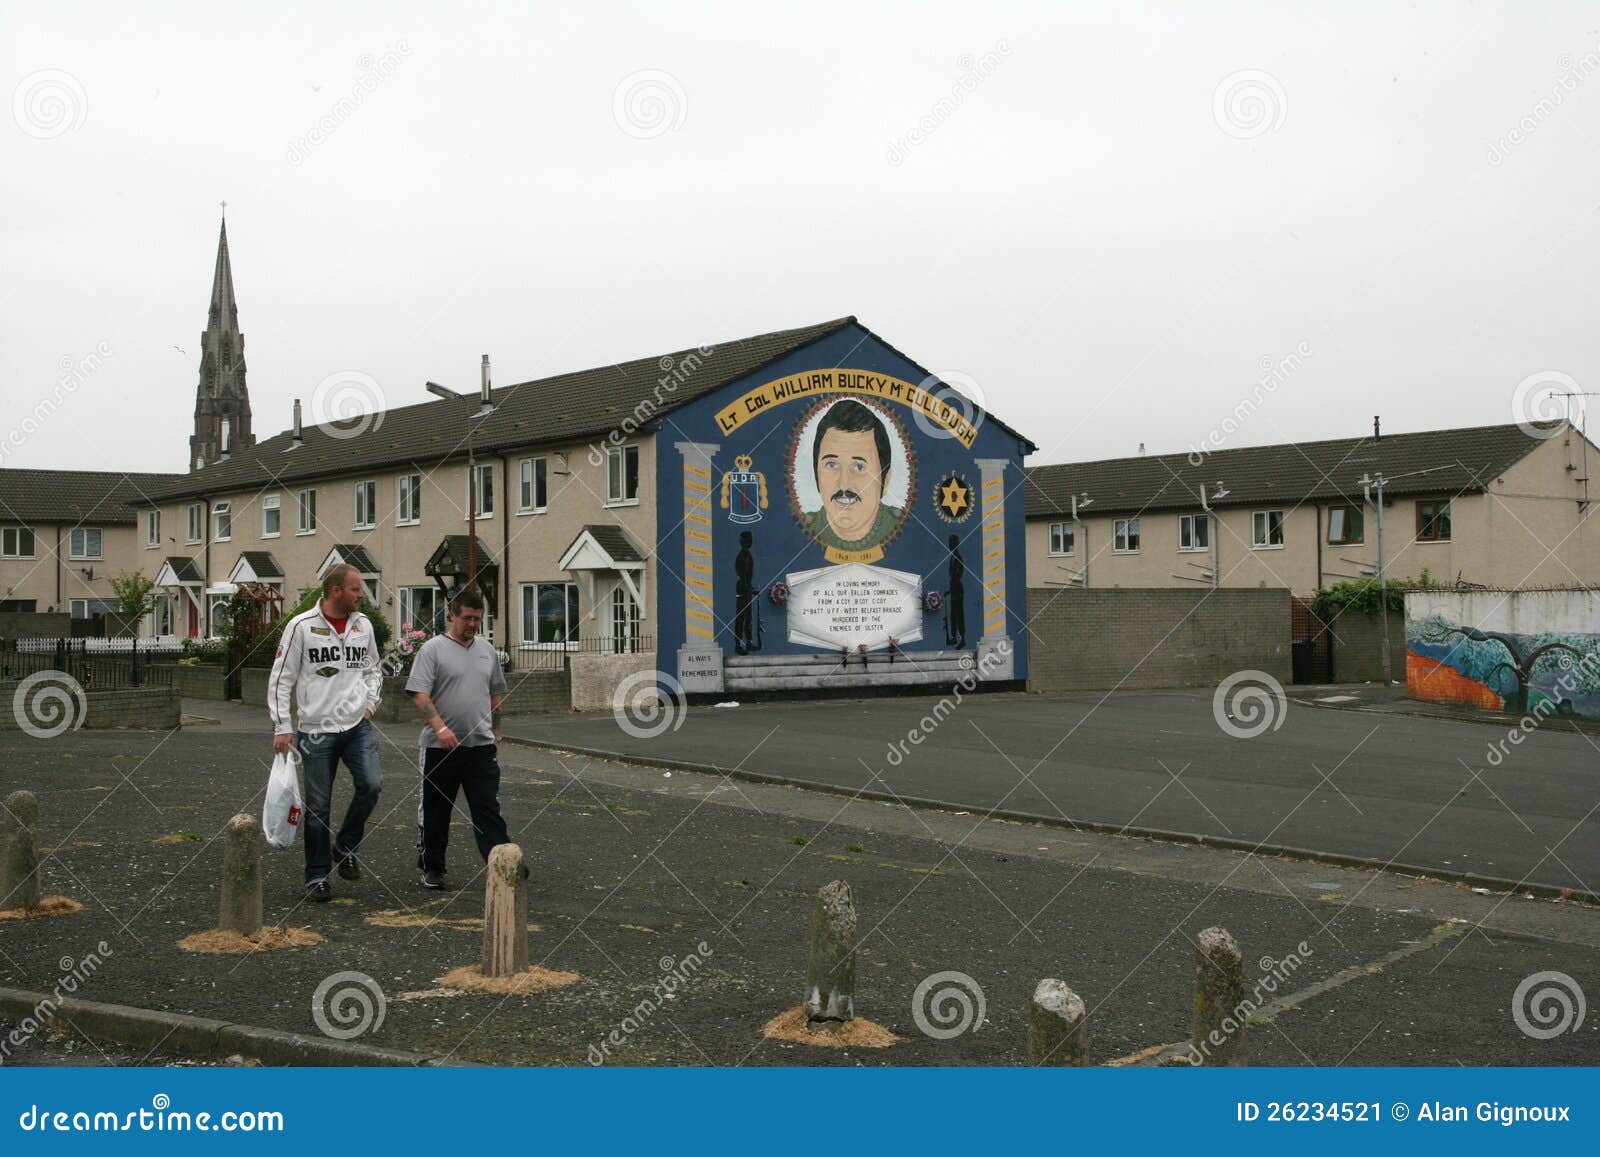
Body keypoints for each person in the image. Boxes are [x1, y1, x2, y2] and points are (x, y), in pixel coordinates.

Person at [267, 563, 383, 901]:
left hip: (356, 726)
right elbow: (281, 677)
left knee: (372, 785)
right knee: (318, 806)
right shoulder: (300, 626)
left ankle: (345, 845)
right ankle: (317, 876)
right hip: (316, 730)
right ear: (336, 591)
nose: (362, 595)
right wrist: (282, 726)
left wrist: (369, 705)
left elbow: (374, 669)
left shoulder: (363, 625)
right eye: (356, 589)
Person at [405, 588, 518, 889]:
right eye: (466, 618)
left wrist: (496, 730)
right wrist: (440, 727)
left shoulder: (487, 651)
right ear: (452, 615)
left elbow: (496, 692)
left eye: (477, 619)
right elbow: (418, 693)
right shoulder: (432, 650)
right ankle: (433, 868)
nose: (472, 624)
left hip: (480, 747)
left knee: (487, 809)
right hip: (439, 748)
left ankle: (502, 867)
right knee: (436, 811)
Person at [804, 398, 904, 549]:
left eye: (859, 467)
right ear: (816, 474)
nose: (844, 484)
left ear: (886, 480)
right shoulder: (799, 529)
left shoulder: (907, 528)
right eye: (831, 464)